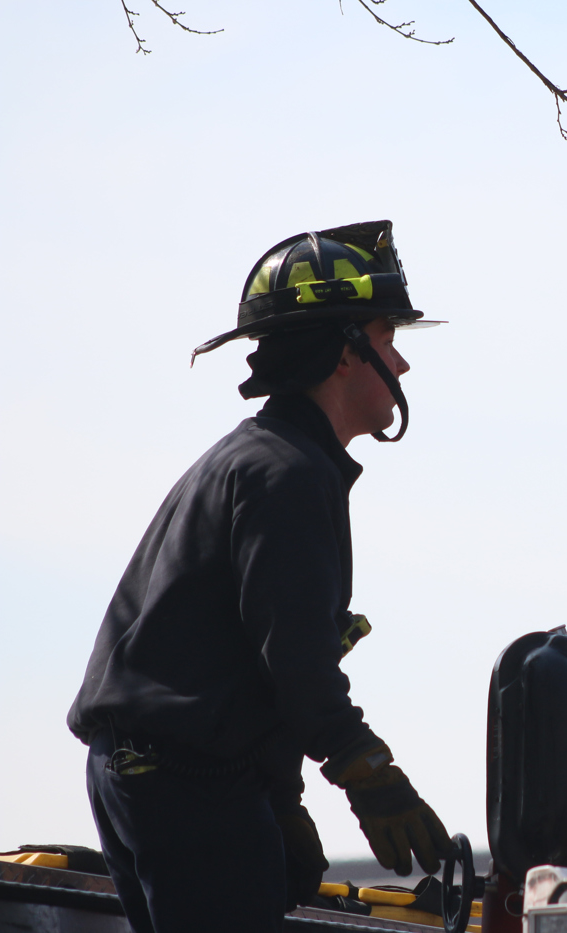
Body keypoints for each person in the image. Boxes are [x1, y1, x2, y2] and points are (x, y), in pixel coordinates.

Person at [67, 220, 451, 932]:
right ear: (345, 352)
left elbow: (239, 656)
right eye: (388, 341)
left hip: (143, 777)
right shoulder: (288, 477)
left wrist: (278, 798)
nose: (401, 366)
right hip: (189, 786)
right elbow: (298, 660)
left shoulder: (253, 460)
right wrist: (368, 774)